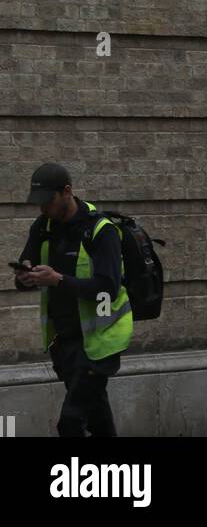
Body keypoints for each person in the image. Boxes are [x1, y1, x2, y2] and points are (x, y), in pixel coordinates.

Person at [12, 163, 132, 437]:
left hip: (99, 344)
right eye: (38, 203)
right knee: (97, 417)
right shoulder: (43, 227)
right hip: (64, 341)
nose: (43, 209)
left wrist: (59, 280)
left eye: (48, 201)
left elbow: (108, 288)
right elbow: (25, 272)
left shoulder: (101, 231)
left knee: (70, 422)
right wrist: (25, 277)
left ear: (67, 192)